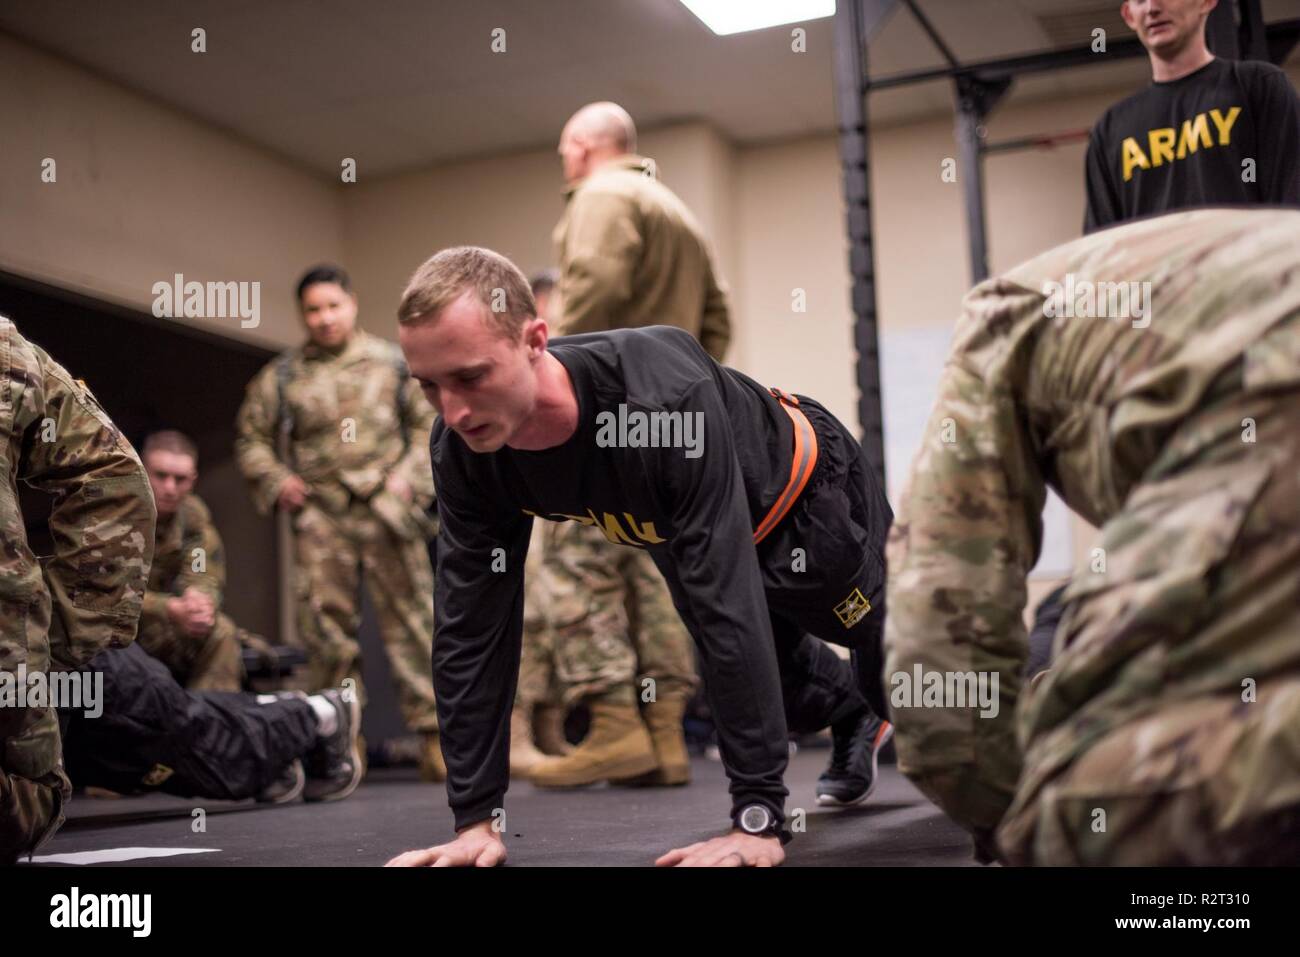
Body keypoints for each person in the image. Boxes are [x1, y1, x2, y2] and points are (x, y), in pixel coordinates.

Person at [386, 245, 893, 868]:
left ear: (535, 340)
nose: (454, 410)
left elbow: (724, 604)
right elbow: (472, 628)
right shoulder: (468, 450)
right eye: (430, 386)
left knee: (898, 672)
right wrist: (475, 820)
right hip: (681, 531)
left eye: (470, 377)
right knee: (783, 694)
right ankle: (855, 719)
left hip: (804, 501)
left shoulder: (658, 398)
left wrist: (757, 818)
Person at [884, 206, 1300, 865]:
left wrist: (1005, 816)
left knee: (1091, 801)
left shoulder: (998, 323)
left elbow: (939, 636)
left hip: (1269, 370)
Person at [516, 101, 737, 789]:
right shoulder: (678, 210)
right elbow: (717, 318)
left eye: (562, 149)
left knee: (571, 556)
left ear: (582, 145)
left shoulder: (601, 196)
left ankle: (613, 725)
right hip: (668, 423)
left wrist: (552, 381)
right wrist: (679, 388)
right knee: (652, 569)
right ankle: (666, 735)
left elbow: (593, 290)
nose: (563, 162)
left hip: (603, 416)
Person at [234, 265, 444, 779]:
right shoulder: (283, 375)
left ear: (352, 304)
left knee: (416, 628)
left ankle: (439, 740)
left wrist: (408, 479)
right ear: (303, 315)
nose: (324, 318)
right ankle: (341, 741)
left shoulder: (393, 363)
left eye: (333, 306)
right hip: (322, 519)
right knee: (326, 635)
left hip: (387, 511)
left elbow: (431, 424)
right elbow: (251, 439)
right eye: (313, 310)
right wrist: (278, 481)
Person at [0, 315, 155, 865]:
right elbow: (119, 483)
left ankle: (308, 722)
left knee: (171, 717)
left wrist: (48, 647)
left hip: (107, 672)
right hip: (63, 662)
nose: (180, 487)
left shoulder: (199, 525)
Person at [1083, 0, 1300, 232]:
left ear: (1206, 2)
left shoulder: (1259, 86)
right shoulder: (1111, 130)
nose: (1152, 8)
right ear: (1129, 16)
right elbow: (1099, 247)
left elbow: (1292, 205)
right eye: (1140, 0)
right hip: (1158, 269)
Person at [61, 639, 361, 806]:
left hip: (97, 684)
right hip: (74, 675)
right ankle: (272, 710)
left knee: (208, 757)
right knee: (195, 723)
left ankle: (320, 713)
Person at [137, 429, 272, 692]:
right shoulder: (117, 511)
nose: (170, 488)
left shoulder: (193, 518)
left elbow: (202, 569)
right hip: (116, 631)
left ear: (193, 479)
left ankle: (209, 724)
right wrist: (169, 608)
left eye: (181, 479)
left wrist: (198, 601)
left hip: (162, 628)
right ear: (142, 470)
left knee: (222, 631)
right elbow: (105, 594)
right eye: (161, 476)